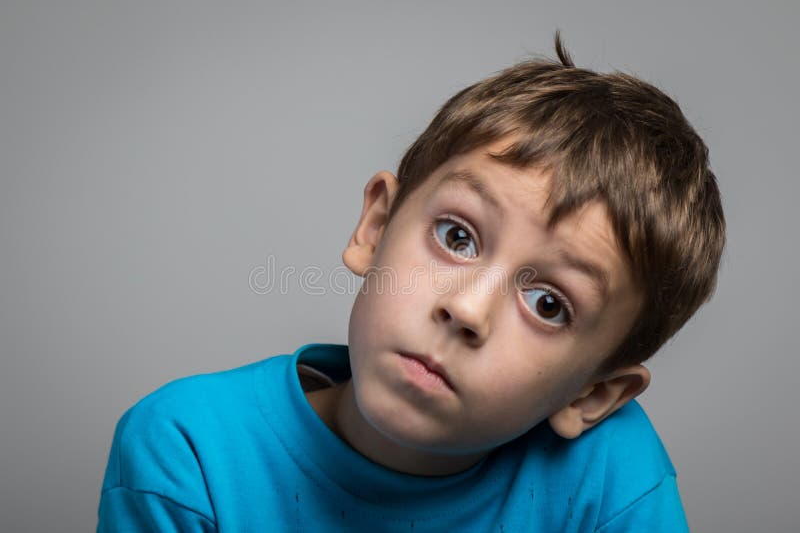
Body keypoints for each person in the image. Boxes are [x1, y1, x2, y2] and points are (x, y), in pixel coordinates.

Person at [97, 31, 725, 532]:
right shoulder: (191, 454)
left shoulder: (610, 483)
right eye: (457, 237)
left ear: (592, 395)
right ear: (375, 227)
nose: (467, 309)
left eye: (548, 304)